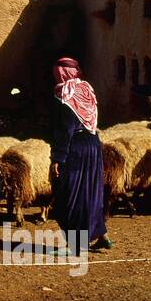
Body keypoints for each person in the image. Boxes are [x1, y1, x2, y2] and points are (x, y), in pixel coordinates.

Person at [48, 57, 111, 253]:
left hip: (76, 148)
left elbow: (65, 130)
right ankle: (103, 236)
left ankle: (76, 245)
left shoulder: (64, 96)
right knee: (91, 192)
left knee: (70, 193)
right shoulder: (86, 90)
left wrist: (57, 158)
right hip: (93, 144)